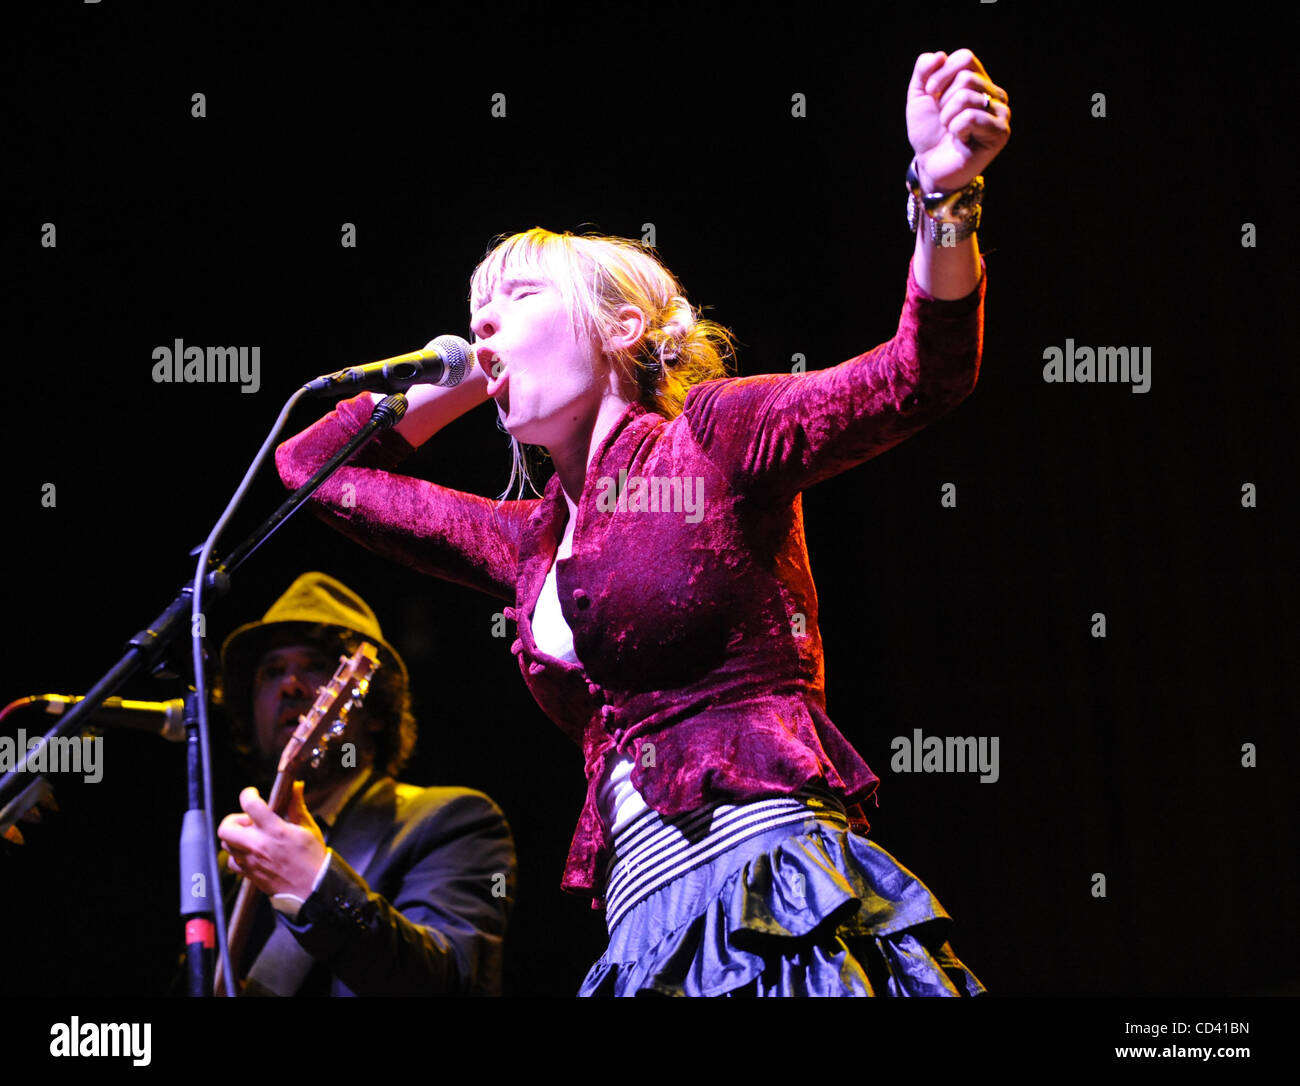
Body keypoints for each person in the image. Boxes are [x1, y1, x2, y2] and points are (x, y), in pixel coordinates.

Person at [275, 49, 1009, 995]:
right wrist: (458, 372)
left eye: (518, 301)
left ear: (622, 329)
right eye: (475, 313)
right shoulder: (526, 539)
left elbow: (921, 374)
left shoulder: (715, 438)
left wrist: (941, 197)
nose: (486, 326)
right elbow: (310, 472)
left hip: (773, 893)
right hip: (644, 935)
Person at [214, 571, 515, 996]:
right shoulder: (237, 866)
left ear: (371, 706)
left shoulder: (453, 821)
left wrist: (316, 885)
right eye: (272, 671)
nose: (291, 685)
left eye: (317, 666)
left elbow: (454, 983)